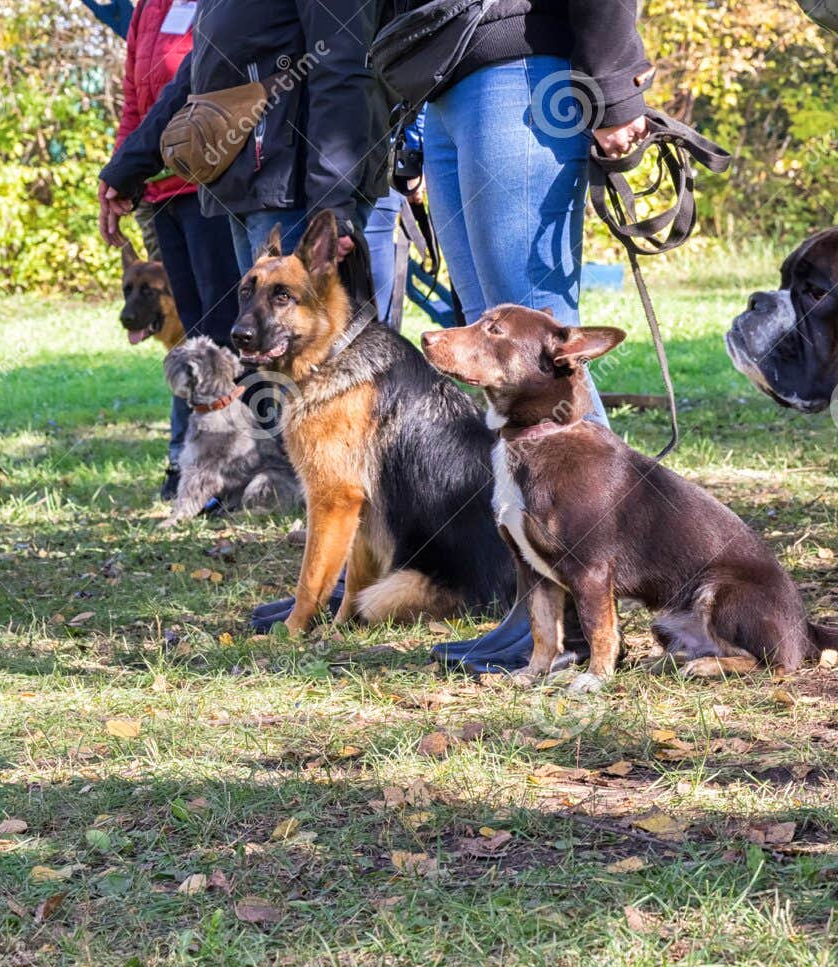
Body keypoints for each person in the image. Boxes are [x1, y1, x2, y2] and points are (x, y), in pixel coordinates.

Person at [422, 2, 654, 675]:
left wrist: (613, 84)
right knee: (491, 340)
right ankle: (542, 617)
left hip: (518, 72)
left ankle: (589, 617)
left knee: (540, 346)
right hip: (443, 80)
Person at [97, 0, 393, 316]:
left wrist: (329, 208)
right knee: (261, 342)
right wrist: (130, 164)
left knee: (298, 343)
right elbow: (197, 71)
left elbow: (342, 68)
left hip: (298, 191)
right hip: (246, 183)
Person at [100, 0, 242, 500]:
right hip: (159, 196)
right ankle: (189, 462)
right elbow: (134, 108)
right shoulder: (148, 10)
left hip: (211, 187)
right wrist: (119, 177)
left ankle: (230, 472)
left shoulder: (216, 6)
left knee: (222, 332)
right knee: (190, 339)